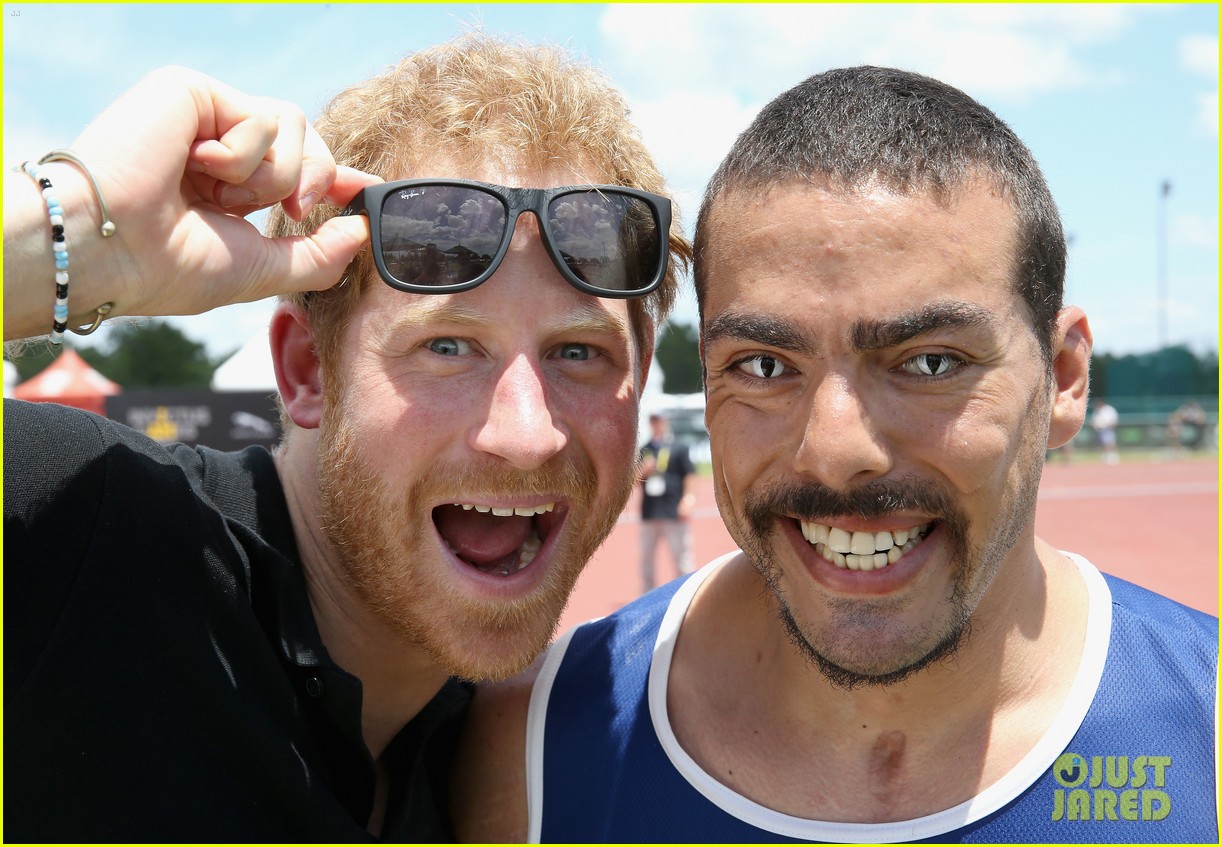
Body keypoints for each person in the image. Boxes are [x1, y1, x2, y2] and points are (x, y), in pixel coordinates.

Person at [452, 66, 1218, 842]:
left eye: (930, 362)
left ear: (1063, 378)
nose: (836, 452)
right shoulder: (531, 747)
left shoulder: (1204, 725)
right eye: (763, 365)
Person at [3, 33, 691, 841]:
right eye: (448, 346)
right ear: (306, 370)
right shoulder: (79, 532)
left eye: (579, 352)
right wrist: (71, 232)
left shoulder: (512, 759)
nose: (526, 433)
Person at [637, 411, 697, 591]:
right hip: (650, 511)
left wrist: (687, 500)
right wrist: (643, 471)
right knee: (646, 558)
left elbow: (690, 475)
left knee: (682, 557)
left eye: (659, 420)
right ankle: (646, 595)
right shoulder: (645, 449)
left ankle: (686, 593)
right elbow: (634, 481)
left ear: (666, 422)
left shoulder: (679, 447)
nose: (656, 424)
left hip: (673, 510)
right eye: (652, 421)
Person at [1090, 398, 1121, 464]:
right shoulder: (1096, 411)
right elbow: (1094, 421)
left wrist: (1111, 425)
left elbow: (1113, 419)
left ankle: (1113, 456)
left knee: (1110, 443)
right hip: (1100, 430)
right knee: (1103, 443)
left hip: (1108, 428)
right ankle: (1106, 456)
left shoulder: (1109, 409)